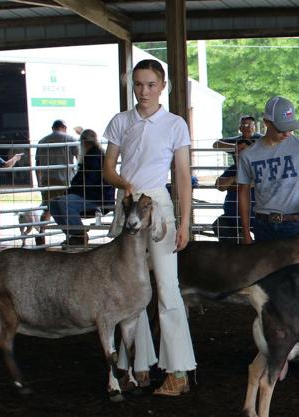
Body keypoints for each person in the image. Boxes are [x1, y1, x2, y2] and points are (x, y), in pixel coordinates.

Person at [102, 59, 196, 396]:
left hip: (158, 205)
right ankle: (138, 362)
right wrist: (124, 185)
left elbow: (182, 175)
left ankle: (179, 370)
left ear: (163, 85)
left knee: (167, 288)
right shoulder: (121, 121)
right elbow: (107, 168)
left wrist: (185, 222)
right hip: (128, 203)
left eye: (150, 85)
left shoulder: (175, 124)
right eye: (138, 85)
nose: (144, 91)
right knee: (130, 288)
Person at [236, 96, 299, 244]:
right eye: (281, 129)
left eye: (290, 128)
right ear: (267, 122)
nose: (286, 133)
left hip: (295, 223)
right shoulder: (248, 155)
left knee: (295, 267)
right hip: (263, 224)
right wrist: (246, 231)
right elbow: (243, 192)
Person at [48, 129, 116, 246]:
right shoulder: (92, 156)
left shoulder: (94, 157)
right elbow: (83, 181)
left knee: (63, 203)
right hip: (91, 194)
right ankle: (74, 234)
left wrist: (69, 192)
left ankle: (78, 235)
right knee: (53, 203)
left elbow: (88, 182)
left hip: (96, 197)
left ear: (83, 142)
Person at [212, 116, 262, 242]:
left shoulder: (261, 141)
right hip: (233, 216)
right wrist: (237, 177)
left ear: (254, 127)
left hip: (257, 215)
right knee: (220, 225)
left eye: (250, 125)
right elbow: (219, 185)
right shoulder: (233, 168)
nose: (247, 128)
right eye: (244, 125)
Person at [35, 119, 78, 224]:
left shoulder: (42, 141)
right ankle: (71, 234)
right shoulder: (71, 139)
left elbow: (38, 164)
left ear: (52, 128)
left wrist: (39, 182)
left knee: (48, 208)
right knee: (68, 208)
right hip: (65, 180)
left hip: (47, 180)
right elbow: (79, 158)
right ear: (64, 127)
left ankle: (42, 231)